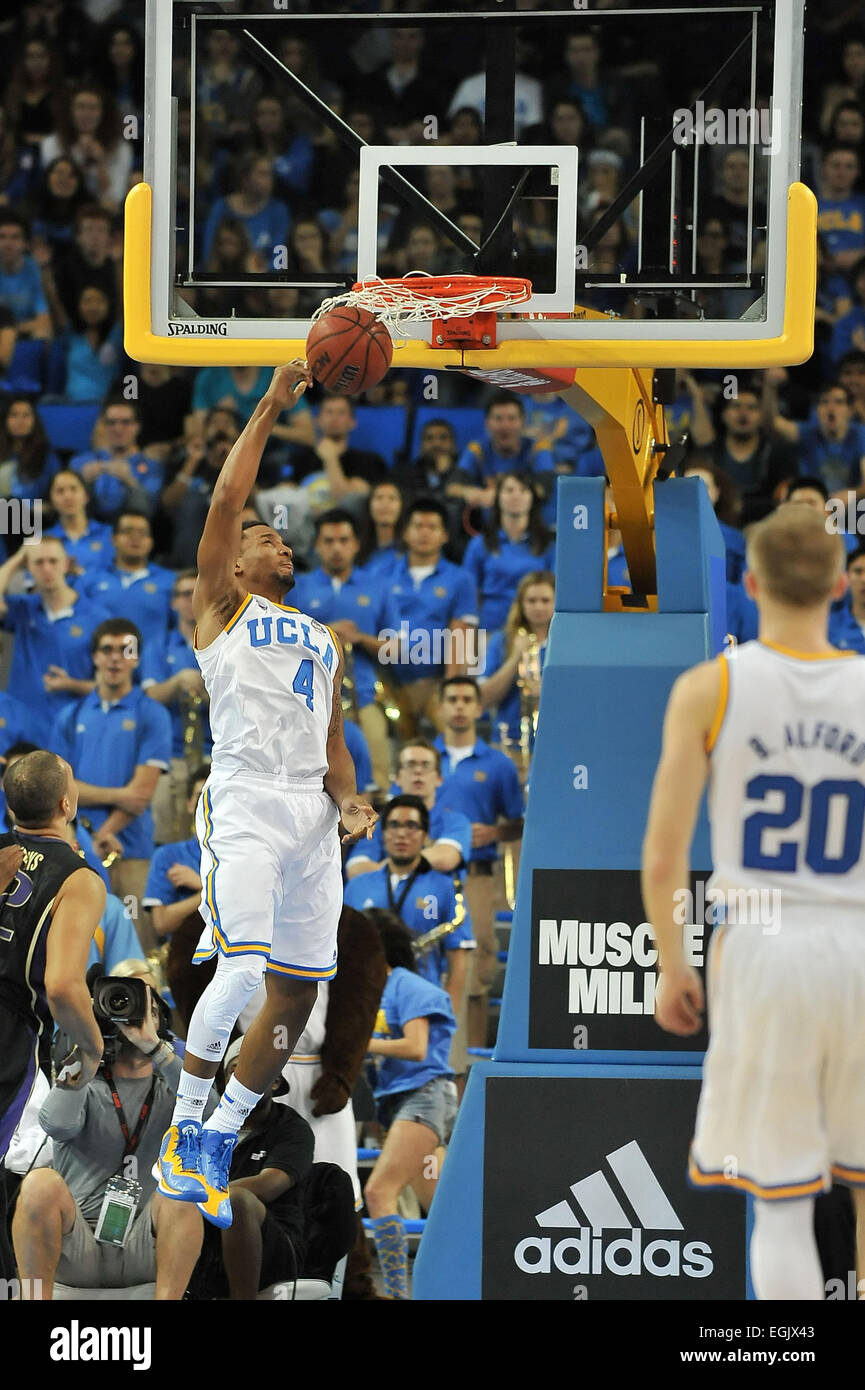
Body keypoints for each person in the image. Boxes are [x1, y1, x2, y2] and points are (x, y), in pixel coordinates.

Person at [156, 361, 377, 1232]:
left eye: (281, 539)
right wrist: (271, 403)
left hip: (312, 816)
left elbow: (333, 746)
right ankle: (179, 1132)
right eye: (262, 537)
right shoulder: (222, 607)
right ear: (234, 561)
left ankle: (218, 1136)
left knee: (293, 991)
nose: (276, 542)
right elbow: (223, 500)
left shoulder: (324, 639)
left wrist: (352, 802)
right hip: (245, 799)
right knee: (242, 967)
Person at [642, 504, 865, 1300]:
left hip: (765, 947)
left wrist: (674, 964)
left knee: (782, 1201)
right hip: (858, 939)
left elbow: (664, 857)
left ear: (748, 580)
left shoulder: (710, 685)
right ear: (841, 585)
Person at [12, 979, 205, 1299]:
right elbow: (55, 1124)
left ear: (162, 1026)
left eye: (148, 1012)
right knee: (39, 1184)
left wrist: (157, 1048)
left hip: (144, 1243)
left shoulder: (172, 1089)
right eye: (120, 1006)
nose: (133, 1018)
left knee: (182, 1190)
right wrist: (88, 1050)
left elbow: (209, 1117)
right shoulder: (83, 1080)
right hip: (77, 1241)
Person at [0, 749, 105, 1162]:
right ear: (66, 804)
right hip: (13, 1038)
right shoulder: (78, 878)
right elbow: (62, 987)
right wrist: (92, 1047)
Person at [363, 908, 457, 1301]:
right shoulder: (374, 990)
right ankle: (457, 1285)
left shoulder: (408, 985)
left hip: (425, 1095)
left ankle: (399, 1295)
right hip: (403, 1100)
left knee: (378, 1191)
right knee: (438, 1207)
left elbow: (417, 1048)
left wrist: (360, 1045)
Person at [54, 618, 172, 931]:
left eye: (126, 650)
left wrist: (102, 832)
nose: (116, 657)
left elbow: (141, 796)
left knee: (137, 956)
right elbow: (59, 788)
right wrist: (94, 836)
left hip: (132, 852)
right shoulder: (70, 715)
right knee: (84, 951)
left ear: (136, 658)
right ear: (95, 657)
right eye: (107, 649)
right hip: (76, 853)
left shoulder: (153, 714)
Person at [434, 676, 524, 1050]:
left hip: (476, 876)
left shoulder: (499, 765)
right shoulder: (423, 757)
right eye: (451, 698)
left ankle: (468, 1065)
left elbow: (520, 821)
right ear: (440, 708)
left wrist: (495, 833)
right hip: (428, 874)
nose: (458, 705)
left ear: (478, 708)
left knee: (478, 964)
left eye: (466, 699)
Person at [290, 509, 400, 796]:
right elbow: (284, 647)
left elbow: (396, 650)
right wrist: (325, 633)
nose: (336, 547)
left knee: (377, 781)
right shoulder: (298, 588)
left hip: (363, 696)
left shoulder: (379, 587)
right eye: (328, 541)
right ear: (317, 546)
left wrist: (359, 638)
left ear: (356, 544)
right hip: (309, 700)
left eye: (343, 540)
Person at [343, 795, 474, 1015]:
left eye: (411, 826)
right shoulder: (357, 886)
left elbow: (458, 960)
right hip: (363, 1001)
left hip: (422, 1005)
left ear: (425, 835)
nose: (402, 833)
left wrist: (446, 1013)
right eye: (394, 825)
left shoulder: (445, 887)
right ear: (383, 834)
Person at [345, 738, 471, 881]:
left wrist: (390, 868)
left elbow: (446, 858)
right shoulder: (376, 824)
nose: (418, 771)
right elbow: (355, 869)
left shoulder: (455, 821)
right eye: (410, 765)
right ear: (397, 778)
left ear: (439, 779)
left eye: (426, 765)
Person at [462, 471, 556, 635]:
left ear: (532, 498)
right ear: (498, 497)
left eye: (523, 490)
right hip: (490, 629)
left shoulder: (548, 545)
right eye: (509, 490)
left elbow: (555, 590)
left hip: (536, 630)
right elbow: (469, 594)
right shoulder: (479, 544)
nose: (516, 495)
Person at [480, 570, 554, 772]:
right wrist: (515, 658)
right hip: (508, 744)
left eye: (545, 600)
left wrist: (549, 690)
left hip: (556, 744)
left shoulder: (568, 645)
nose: (538, 607)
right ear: (521, 604)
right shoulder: (502, 641)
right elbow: (484, 699)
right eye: (531, 600)